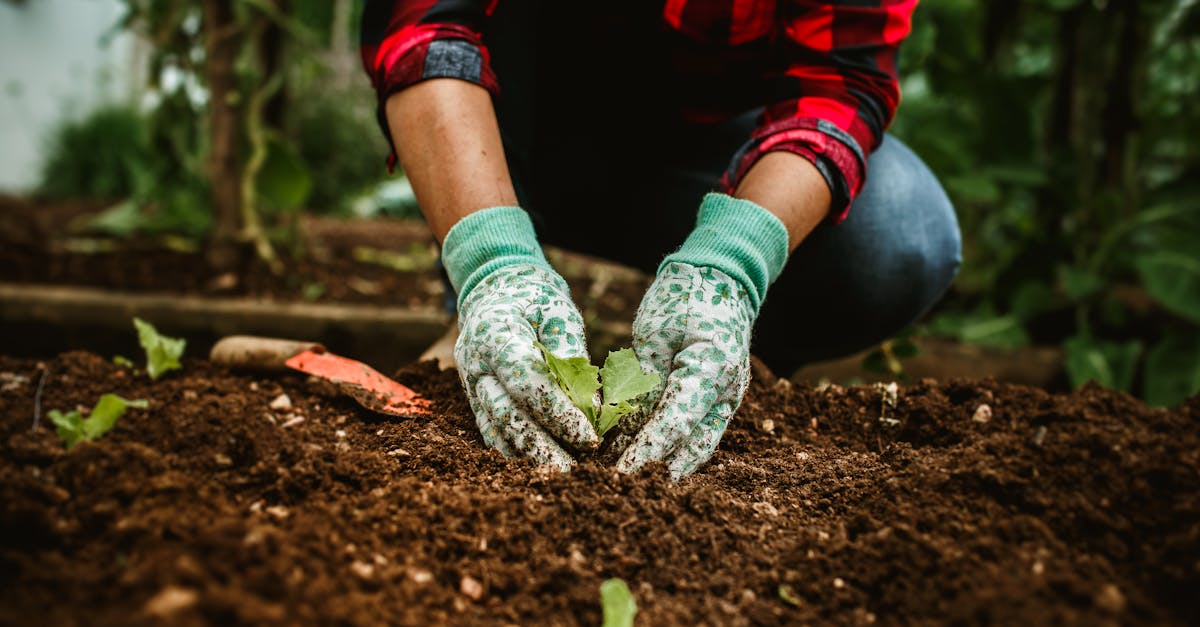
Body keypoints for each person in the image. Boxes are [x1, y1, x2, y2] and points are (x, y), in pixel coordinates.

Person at [360, 1, 961, 479]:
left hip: (706, 155)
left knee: (899, 231)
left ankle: (718, 359)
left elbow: (839, 84)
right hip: (513, 131)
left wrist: (729, 264)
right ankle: (480, 314)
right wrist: (493, 263)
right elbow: (426, 28)